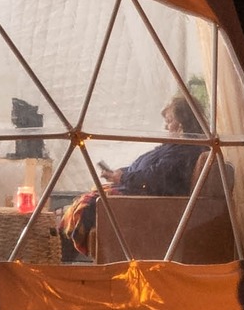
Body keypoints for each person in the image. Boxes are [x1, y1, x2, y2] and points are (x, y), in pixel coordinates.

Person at [59, 96, 206, 257]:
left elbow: (156, 177)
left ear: (182, 124)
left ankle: (57, 259)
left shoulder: (185, 151)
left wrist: (123, 178)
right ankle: (57, 256)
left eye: (170, 120)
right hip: (136, 194)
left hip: (144, 203)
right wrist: (120, 174)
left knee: (86, 207)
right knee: (83, 204)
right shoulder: (175, 147)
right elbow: (147, 169)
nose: (166, 126)